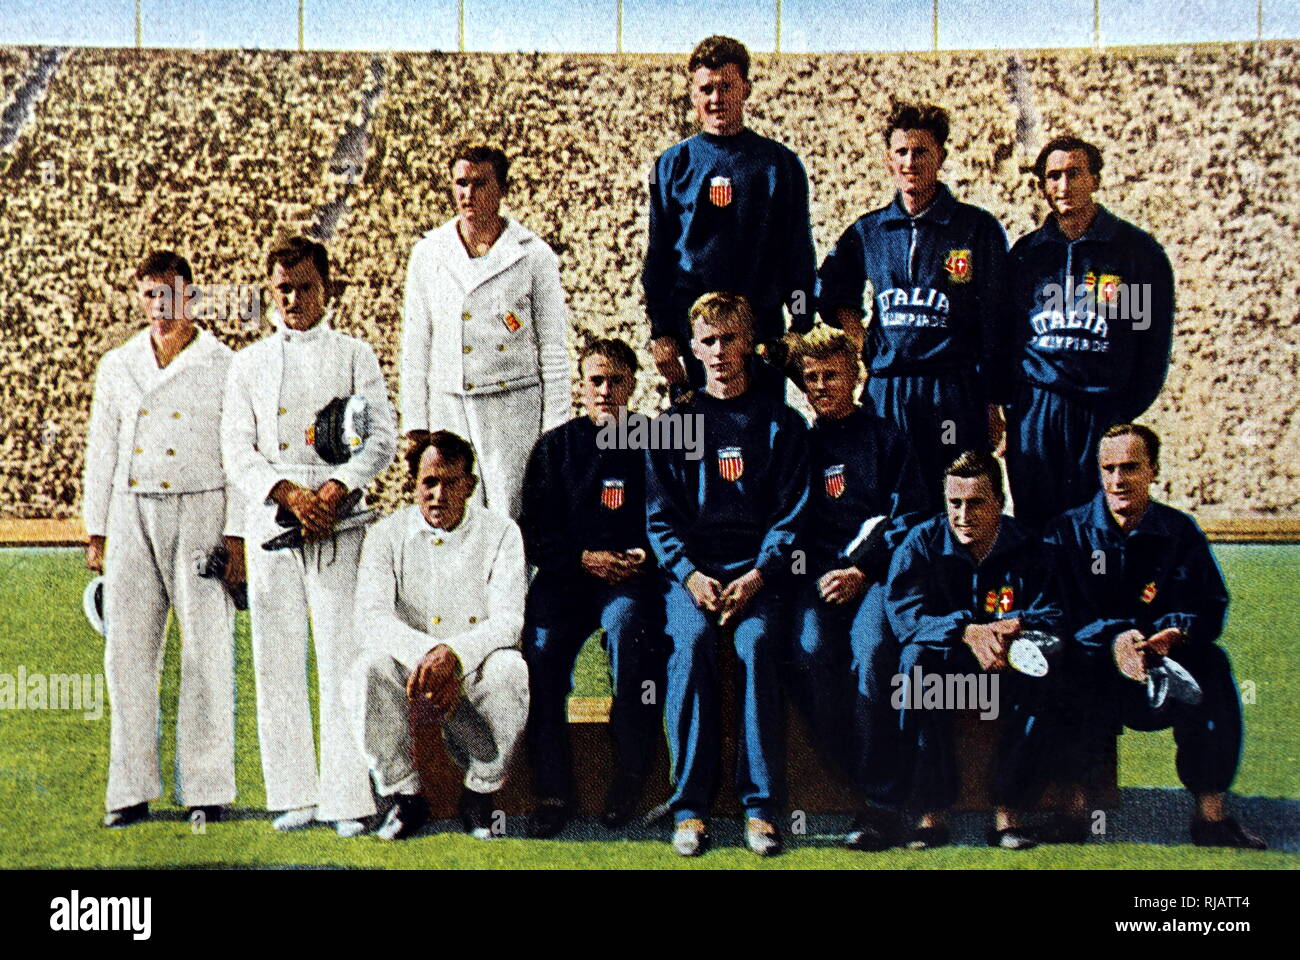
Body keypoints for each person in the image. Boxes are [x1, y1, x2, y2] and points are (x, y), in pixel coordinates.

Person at [222, 236, 396, 837]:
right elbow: (236, 448)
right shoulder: (248, 364)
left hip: (338, 520)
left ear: (328, 288)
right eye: (283, 289)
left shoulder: (355, 354)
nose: (293, 299)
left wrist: (335, 488)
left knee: (342, 656)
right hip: (272, 518)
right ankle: (292, 793)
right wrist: (286, 493)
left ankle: (347, 797)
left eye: (304, 286)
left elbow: (381, 438)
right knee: (276, 659)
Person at [1041, 424, 1266, 848]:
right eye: (1108, 468)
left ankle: (1211, 818)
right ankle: (1070, 814)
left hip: (1163, 665)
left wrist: (1176, 632)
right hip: (1097, 668)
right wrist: (1112, 639)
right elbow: (1054, 614)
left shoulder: (1179, 531)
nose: (1118, 480)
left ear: (1153, 470)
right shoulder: (1065, 532)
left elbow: (1211, 604)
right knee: (1060, 665)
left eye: (1130, 467)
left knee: (1213, 665)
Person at [646, 291, 810, 857]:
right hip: (692, 577)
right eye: (708, 341)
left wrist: (760, 574)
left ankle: (760, 808)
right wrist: (690, 574)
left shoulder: (781, 423)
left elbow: (791, 515)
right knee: (689, 647)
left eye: (731, 339)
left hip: (755, 577)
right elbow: (659, 518)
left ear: (749, 343)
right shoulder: (672, 425)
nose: (720, 351)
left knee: (760, 643)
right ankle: (690, 809)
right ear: (693, 348)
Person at [83, 250, 242, 828]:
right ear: (139, 298)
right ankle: (129, 788)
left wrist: (238, 534)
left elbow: (239, 454)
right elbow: (102, 448)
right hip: (131, 510)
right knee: (126, 650)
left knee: (206, 646)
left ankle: (206, 785)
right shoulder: (117, 364)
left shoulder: (226, 364)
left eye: (170, 295)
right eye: (149, 295)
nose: (160, 307)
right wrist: (95, 529)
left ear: (191, 298)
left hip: (202, 507)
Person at [817, 103, 1008, 510]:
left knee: (954, 501)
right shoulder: (869, 229)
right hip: (887, 388)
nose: (910, 162)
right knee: (888, 501)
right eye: (901, 152)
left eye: (921, 151)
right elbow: (832, 291)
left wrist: (993, 401)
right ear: (889, 159)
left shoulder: (976, 228)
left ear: (941, 155)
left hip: (951, 389)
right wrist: (861, 339)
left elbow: (996, 322)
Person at [785, 326, 928, 851]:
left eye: (831, 376)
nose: (821, 386)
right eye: (811, 378)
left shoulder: (887, 438)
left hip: (873, 578)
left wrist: (862, 571)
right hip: (815, 580)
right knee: (809, 651)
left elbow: (909, 517)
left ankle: (882, 804)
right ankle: (855, 774)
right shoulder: (799, 442)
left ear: (855, 376)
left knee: (871, 655)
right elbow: (790, 520)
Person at [349, 431, 529, 841]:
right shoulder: (384, 535)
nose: (438, 494)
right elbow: (371, 617)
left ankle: (480, 791)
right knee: (367, 670)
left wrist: (455, 656)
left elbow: (508, 620)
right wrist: (430, 655)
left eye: (450, 482)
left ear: (470, 485)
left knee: (511, 670)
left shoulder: (501, 533)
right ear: (414, 483)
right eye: (429, 482)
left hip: (474, 662)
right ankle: (405, 794)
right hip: (411, 665)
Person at [519, 338, 667, 838]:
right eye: (595, 380)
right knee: (539, 651)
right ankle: (553, 789)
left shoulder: (656, 440)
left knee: (629, 633)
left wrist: (643, 557)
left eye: (616, 381)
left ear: (633, 384)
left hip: (629, 579)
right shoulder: (556, 446)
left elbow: (674, 515)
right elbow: (535, 530)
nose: (605, 390)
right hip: (569, 578)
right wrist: (582, 558)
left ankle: (629, 777)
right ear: (582, 386)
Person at [885, 451, 1063, 850]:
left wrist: (1014, 629)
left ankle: (1009, 810)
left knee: (1046, 672)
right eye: (955, 503)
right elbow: (904, 617)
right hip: (954, 677)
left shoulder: (1030, 546)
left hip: (1007, 675)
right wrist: (965, 629)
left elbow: (1054, 611)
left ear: (1000, 501)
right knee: (913, 667)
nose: (963, 515)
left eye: (976, 503)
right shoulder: (922, 543)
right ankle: (932, 811)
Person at [999, 136, 1175, 532]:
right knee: (1038, 529)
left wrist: (1120, 411)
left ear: (1095, 179)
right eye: (1053, 176)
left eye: (1074, 174)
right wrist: (1014, 411)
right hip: (1037, 413)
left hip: (1101, 411)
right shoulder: (1027, 255)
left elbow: (1151, 345)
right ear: (1043, 186)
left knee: (1100, 529)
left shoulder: (1133, 253)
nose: (1063, 186)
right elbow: (1004, 340)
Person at [400, 143, 571, 521]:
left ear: (501, 188)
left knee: (514, 517)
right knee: (455, 517)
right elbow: (416, 345)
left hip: (514, 410)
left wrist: (555, 430)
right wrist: (415, 425)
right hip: (450, 405)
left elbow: (555, 350)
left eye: (479, 183)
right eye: (461, 183)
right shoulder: (429, 253)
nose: (468, 194)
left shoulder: (533, 254)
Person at [643, 35, 816, 400]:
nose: (716, 99)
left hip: (760, 333)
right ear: (693, 94)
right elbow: (659, 256)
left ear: (746, 88)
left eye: (726, 87)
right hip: (697, 334)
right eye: (706, 89)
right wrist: (661, 332)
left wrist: (800, 324)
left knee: (762, 441)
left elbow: (799, 255)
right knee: (696, 443)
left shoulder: (778, 164)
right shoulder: (673, 164)